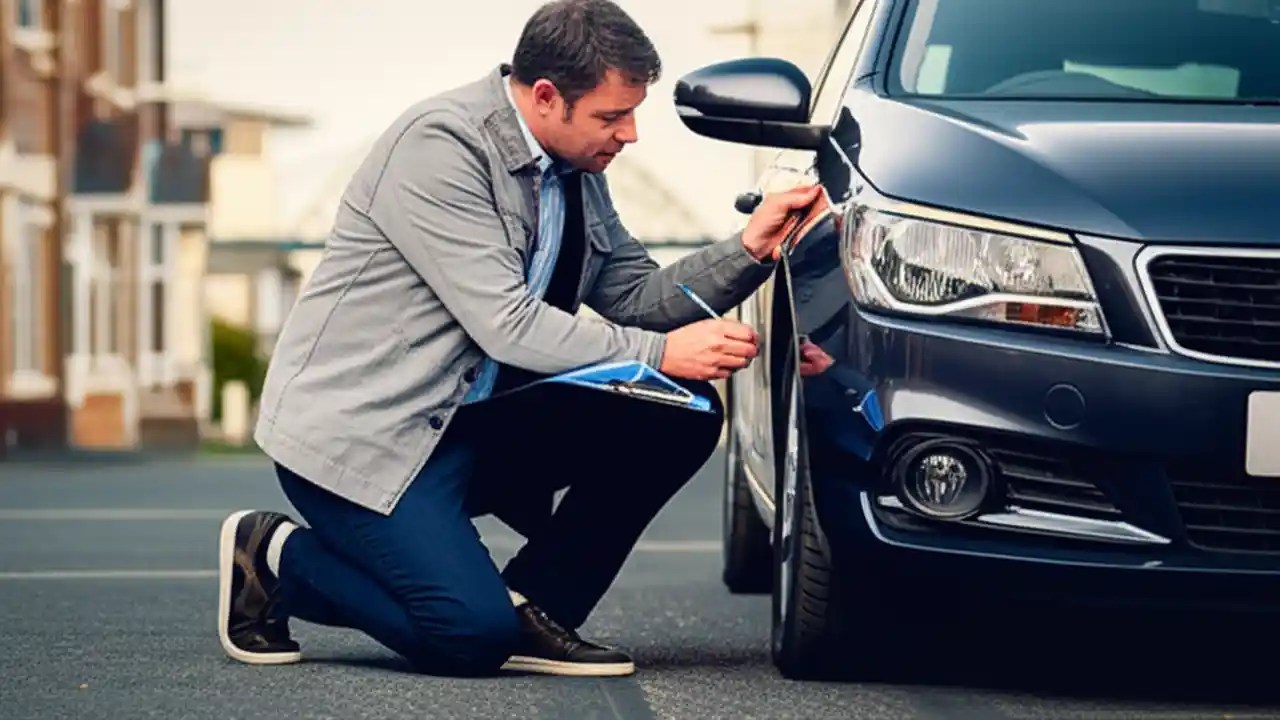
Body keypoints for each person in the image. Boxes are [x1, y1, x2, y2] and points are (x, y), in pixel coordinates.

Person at [216, 0, 821, 678]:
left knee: (681, 407)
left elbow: (633, 296)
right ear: (545, 96)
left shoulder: (574, 171)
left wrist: (749, 248)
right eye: (611, 116)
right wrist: (658, 353)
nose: (630, 134)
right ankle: (278, 556)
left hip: (469, 425)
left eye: (632, 113)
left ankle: (536, 607)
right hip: (366, 441)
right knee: (467, 637)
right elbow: (504, 324)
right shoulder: (441, 147)